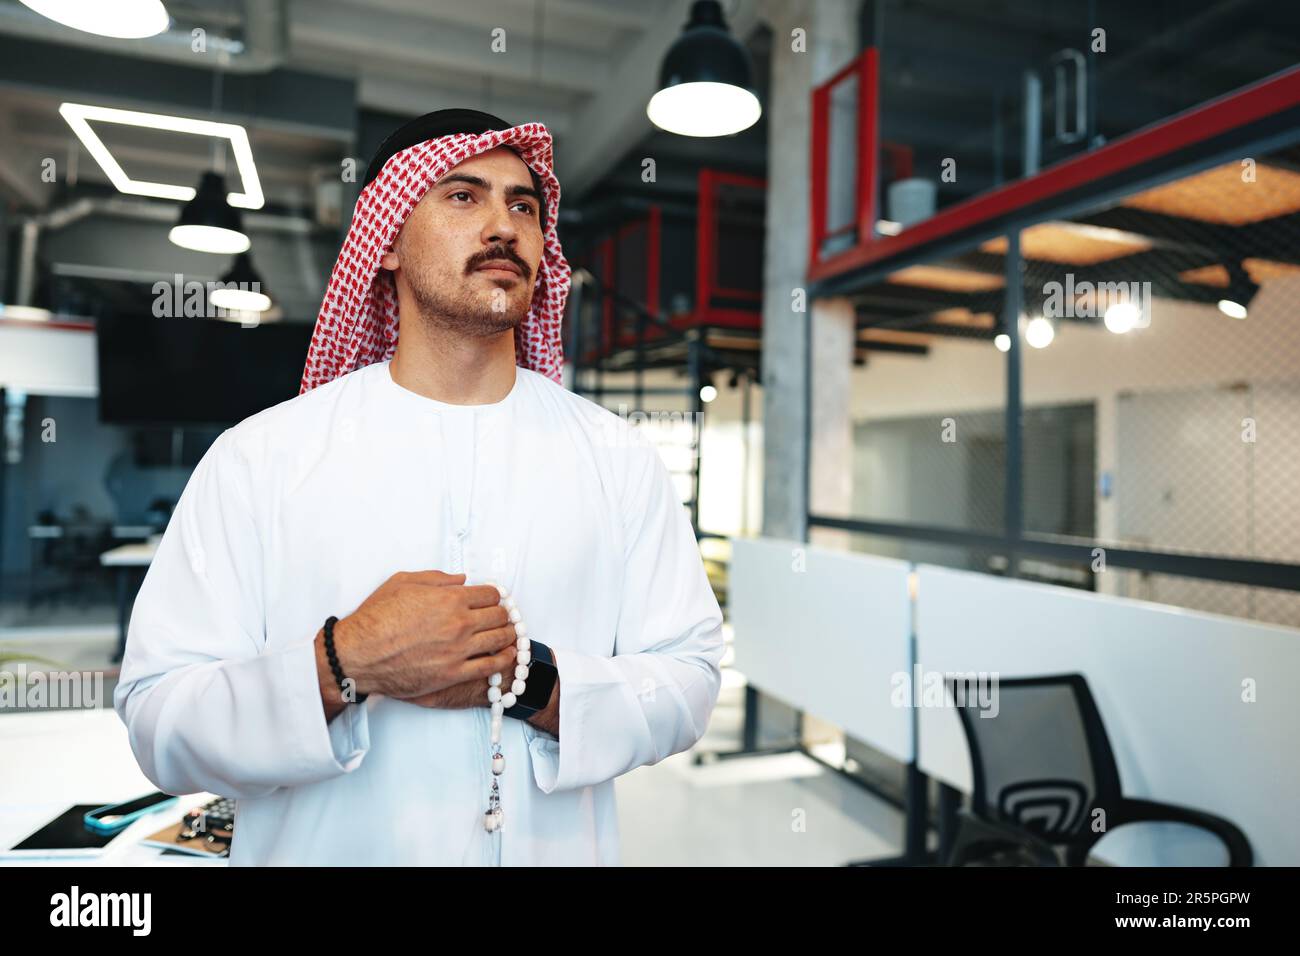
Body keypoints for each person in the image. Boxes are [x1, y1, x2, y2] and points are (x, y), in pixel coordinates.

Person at [113, 108, 725, 866]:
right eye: (463, 196)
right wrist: (345, 661)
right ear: (387, 241)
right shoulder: (261, 460)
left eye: (523, 206)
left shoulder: (617, 458)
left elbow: (688, 679)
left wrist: (527, 681)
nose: (502, 226)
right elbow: (159, 719)